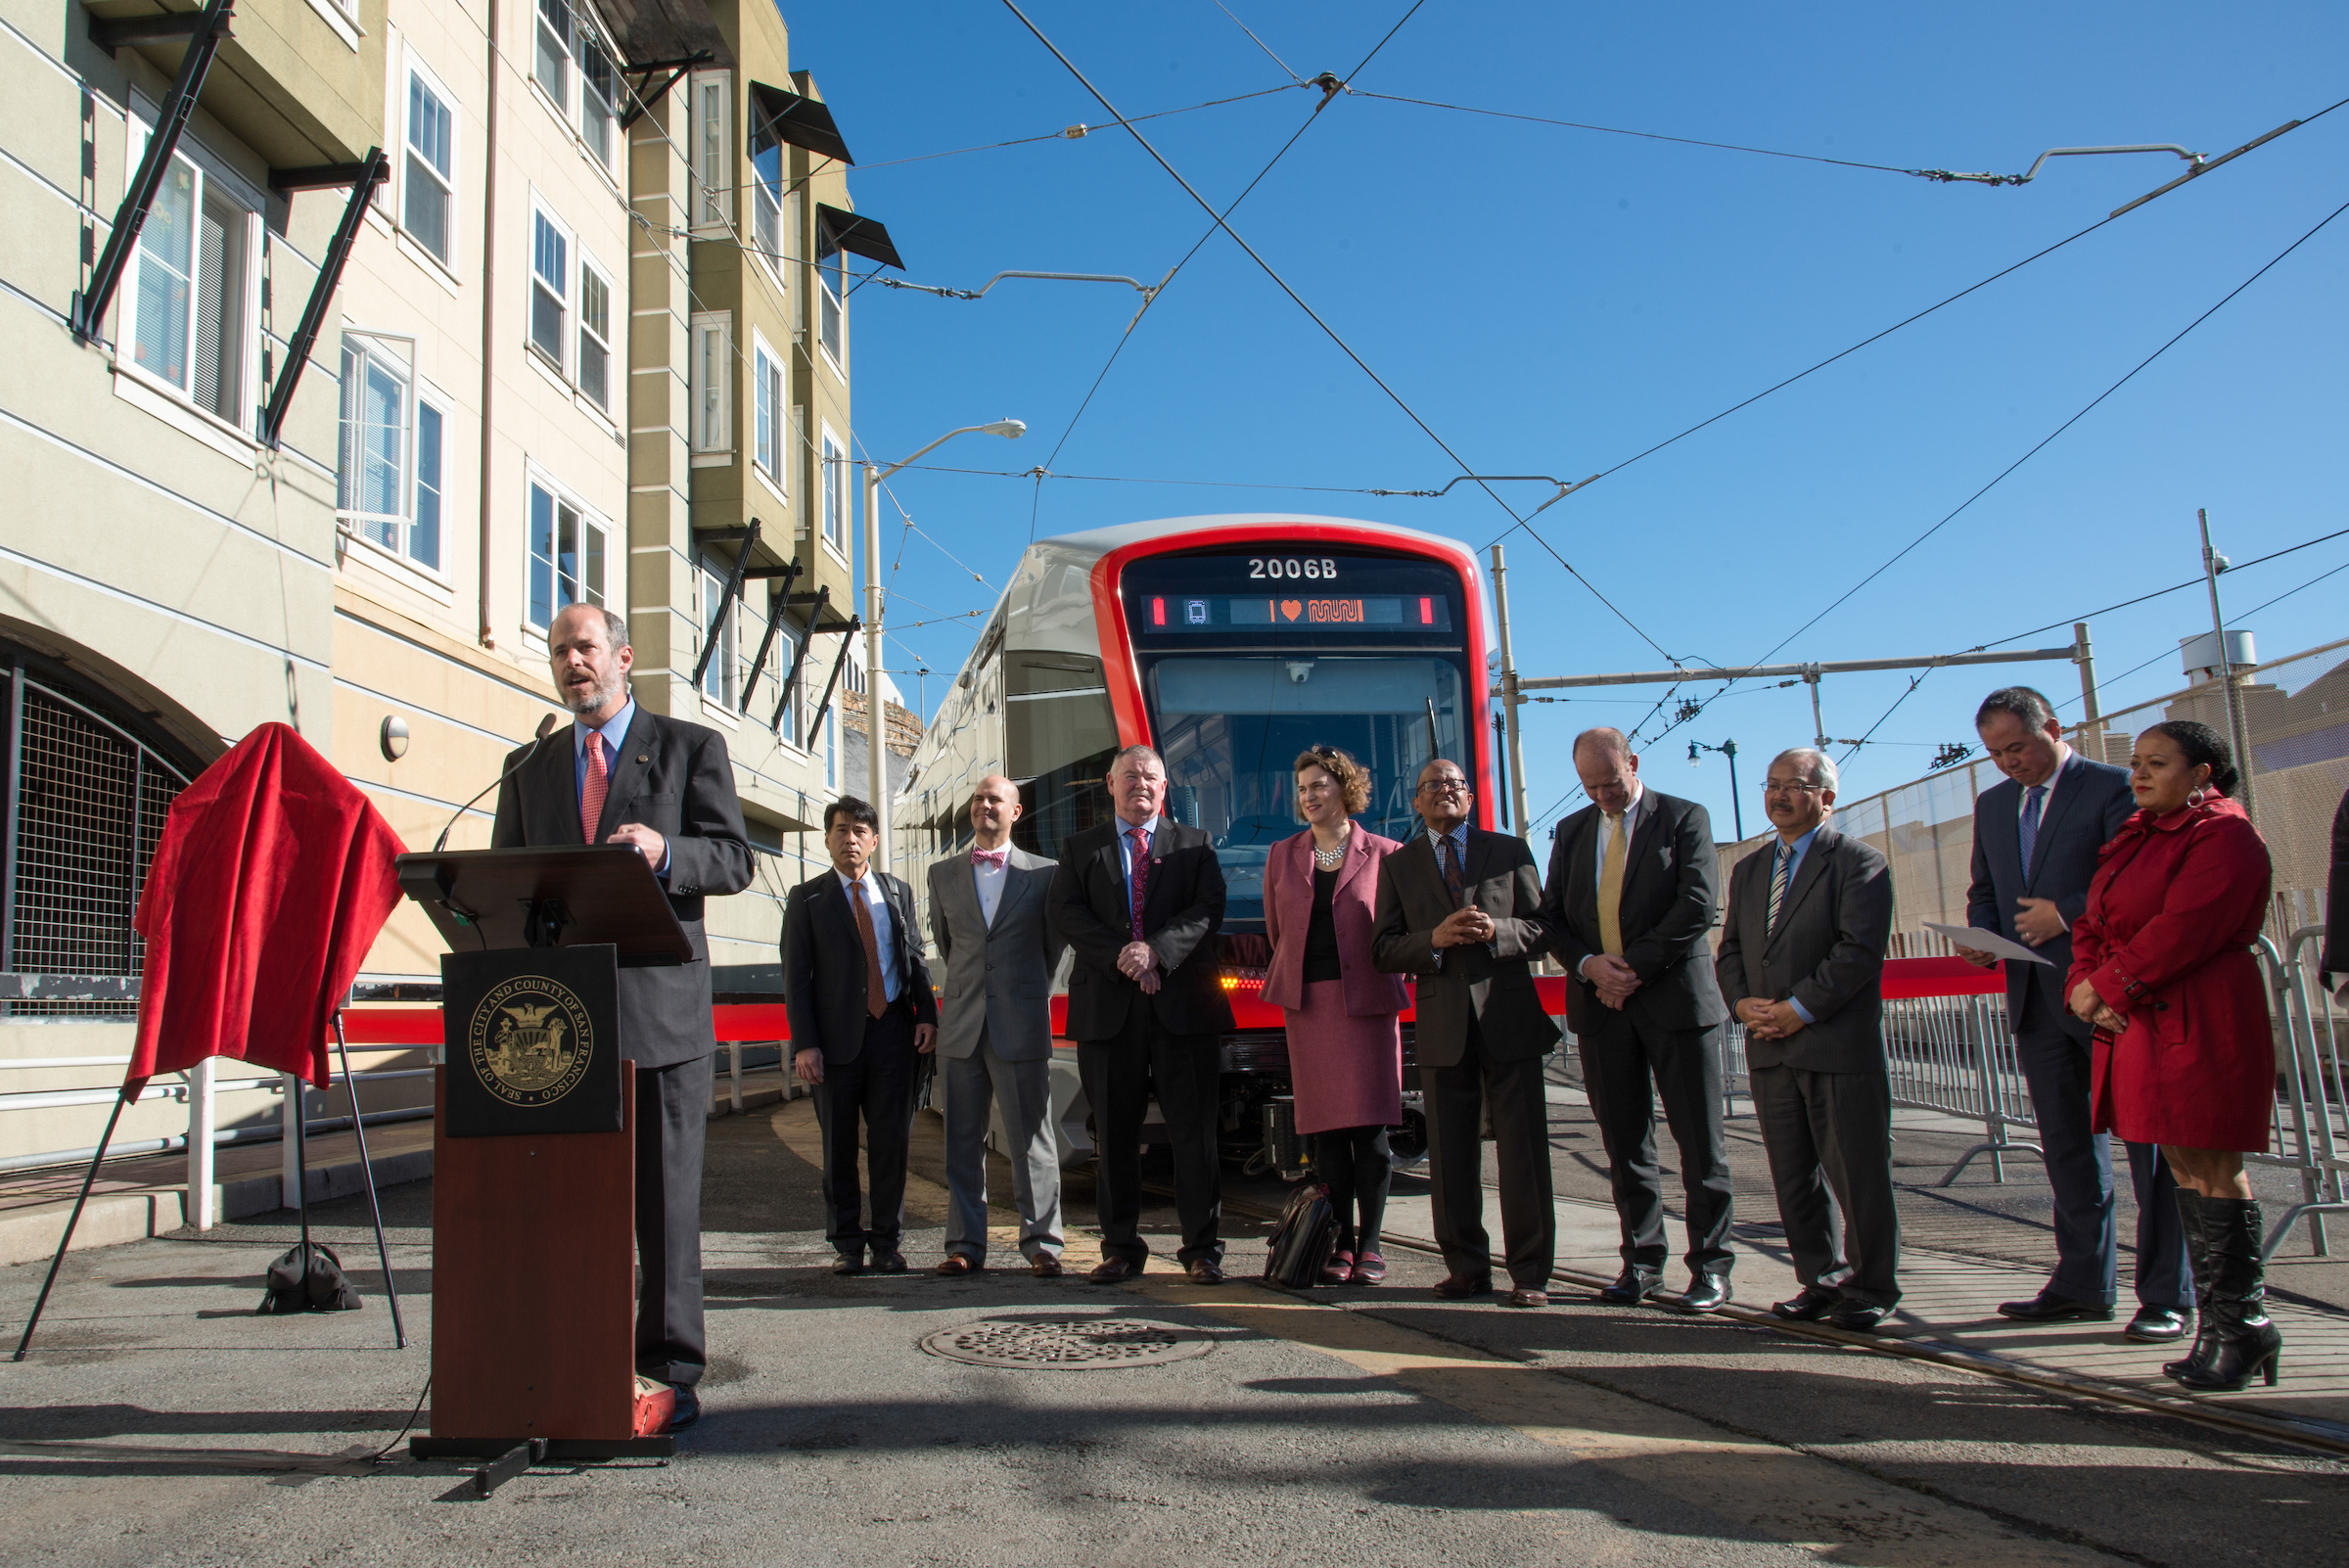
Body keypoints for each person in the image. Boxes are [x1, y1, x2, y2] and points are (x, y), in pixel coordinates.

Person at [490, 603, 754, 1432]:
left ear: (623, 656)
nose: (573, 662)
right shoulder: (528, 767)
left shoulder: (688, 748)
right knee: (572, 1204)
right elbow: (503, 884)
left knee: (665, 1210)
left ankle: (668, 1372)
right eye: (559, 650)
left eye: (585, 647)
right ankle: (573, 1356)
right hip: (560, 1027)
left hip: (662, 1019)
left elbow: (736, 858)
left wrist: (667, 853)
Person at [1956, 688, 2191, 1341]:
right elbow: (1986, 890)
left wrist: (2065, 911)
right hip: (2035, 1000)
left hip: (2113, 1000)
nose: (2008, 764)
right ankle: (2083, 1282)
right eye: (1996, 754)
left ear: (2053, 729)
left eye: (2017, 747)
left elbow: (2144, 877)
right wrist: (1982, 933)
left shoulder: (2116, 788)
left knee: (2150, 1151)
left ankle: (2167, 1295)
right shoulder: (1994, 805)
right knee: (2067, 1150)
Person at [2066, 720, 2280, 1391]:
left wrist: (2104, 987)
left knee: (2211, 1163)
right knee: (2182, 1165)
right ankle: (2228, 1327)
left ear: (2203, 773)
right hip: (2144, 1018)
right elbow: (2093, 922)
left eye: (2158, 764)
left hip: (2199, 1014)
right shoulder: (2139, 834)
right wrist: (2085, 982)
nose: (2139, 774)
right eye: (2135, 763)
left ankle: (2241, 1323)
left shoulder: (2225, 834)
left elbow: (2186, 927)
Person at [1540, 728, 1734, 1312]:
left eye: (1612, 782)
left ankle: (1711, 1268)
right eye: (1590, 786)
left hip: (1674, 1003)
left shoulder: (1684, 818)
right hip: (1601, 1009)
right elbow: (1550, 918)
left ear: (1634, 763)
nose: (1603, 795)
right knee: (1625, 1145)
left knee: (1701, 1143)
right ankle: (1642, 1264)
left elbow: (1698, 903)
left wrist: (1630, 969)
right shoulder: (1572, 832)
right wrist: (1589, 966)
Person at [1716, 747, 1901, 1332]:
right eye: (1770, 785)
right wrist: (1742, 1003)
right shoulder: (1748, 871)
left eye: (1792, 785)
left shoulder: (1858, 863)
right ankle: (1818, 1280)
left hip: (1835, 1047)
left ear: (1826, 797)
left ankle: (1871, 1286)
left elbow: (1857, 952)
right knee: (1793, 1175)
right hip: (1769, 1047)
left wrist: (1799, 1009)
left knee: (1856, 1174)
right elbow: (1732, 952)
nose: (1778, 796)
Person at [1372, 759, 1561, 1308]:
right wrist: (1436, 938)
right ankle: (1465, 1267)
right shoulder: (1399, 864)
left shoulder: (1508, 851)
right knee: (1451, 1156)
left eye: (1455, 785)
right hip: (1442, 1023)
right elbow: (1383, 949)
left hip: (1510, 1018)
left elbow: (1545, 926)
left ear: (1470, 797)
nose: (1444, 793)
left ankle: (1531, 1274)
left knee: (1524, 1152)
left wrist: (1497, 932)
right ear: (1416, 801)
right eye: (1432, 786)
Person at [1047, 745, 1236, 1284]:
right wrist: (1124, 958)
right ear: (1109, 783)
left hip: (1185, 1012)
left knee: (1194, 1135)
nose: (1141, 785)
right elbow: (1065, 912)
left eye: (1150, 777)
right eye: (1130, 776)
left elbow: (1208, 909)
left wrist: (1155, 950)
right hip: (1109, 1012)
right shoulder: (1079, 848)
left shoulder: (1195, 846)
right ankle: (1121, 1249)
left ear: (1165, 786)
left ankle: (1202, 1250)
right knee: (1115, 1135)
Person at [1262, 746, 1411, 1286]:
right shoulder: (1282, 854)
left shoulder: (1388, 853)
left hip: (1368, 1004)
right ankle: (1339, 1243)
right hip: (1309, 1004)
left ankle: (1371, 1245)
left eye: (1319, 785)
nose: (1309, 797)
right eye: (1302, 789)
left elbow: (1397, 931)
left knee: (1370, 1131)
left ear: (1345, 789)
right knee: (1325, 1135)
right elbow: (1277, 931)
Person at [782, 798, 940, 1277]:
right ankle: (847, 1242)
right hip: (833, 1045)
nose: (850, 838)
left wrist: (926, 1015)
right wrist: (805, 1043)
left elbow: (914, 958)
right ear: (828, 839)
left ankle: (887, 1241)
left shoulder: (896, 892)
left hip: (891, 1035)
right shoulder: (807, 898)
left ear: (874, 841)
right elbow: (796, 978)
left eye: (860, 831)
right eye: (841, 829)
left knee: (892, 1144)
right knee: (839, 1147)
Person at [926, 774, 1067, 1276]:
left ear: (1017, 811)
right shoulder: (940, 874)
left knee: (1033, 1138)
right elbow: (950, 946)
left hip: (1021, 1021)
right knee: (961, 1141)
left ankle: (1043, 1243)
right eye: (979, 799)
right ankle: (964, 1246)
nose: (985, 805)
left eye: (995, 799)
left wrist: (1022, 993)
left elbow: (1051, 948)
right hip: (961, 1026)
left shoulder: (1047, 873)